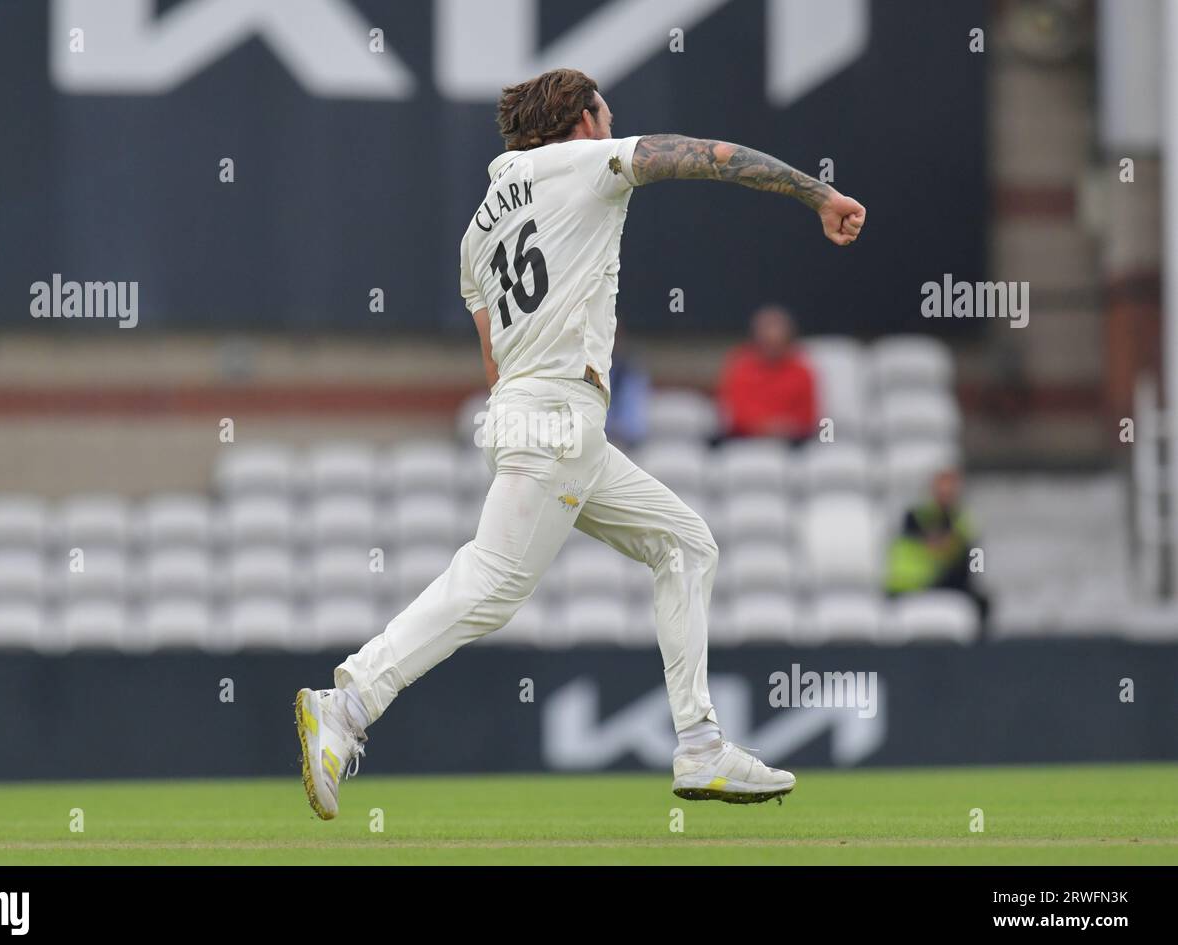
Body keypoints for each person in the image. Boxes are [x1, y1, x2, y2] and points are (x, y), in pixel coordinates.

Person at [295, 68, 866, 820]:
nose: (615, 124)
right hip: (559, 412)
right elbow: (702, 154)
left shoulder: (478, 231)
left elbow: (493, 357)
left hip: (535, 415)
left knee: (686, 545)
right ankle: (349, 701)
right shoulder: (586, 163)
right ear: (583, 121)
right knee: (494, 584)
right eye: (607, 113)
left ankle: (700, 744)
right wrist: (816, 193)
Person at [885, 468, 989, 621]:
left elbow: (977, 561)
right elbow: (936, 547)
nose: (946, 495)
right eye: (942, 490)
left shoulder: (963, 519)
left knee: (982, 601)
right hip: (910, 584)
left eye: (951, 491)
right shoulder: (914, 517)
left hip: (946, 583)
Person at [717, 305, 818, 442]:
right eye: (767, 343)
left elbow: (808, 416)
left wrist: (785, 427)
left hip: (792, 441)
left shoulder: (802, 372)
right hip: (745, 439)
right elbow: (735, 413)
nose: (772, 349)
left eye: (777, 343)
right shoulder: (741, 366)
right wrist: (764, 427)